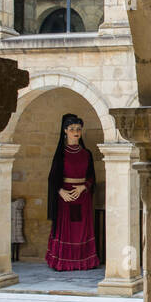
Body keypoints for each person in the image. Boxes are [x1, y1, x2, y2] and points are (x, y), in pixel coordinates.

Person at [45, 113, 100, 271]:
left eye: (78, 129)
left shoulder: (86, 154)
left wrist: (84, 187)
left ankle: (85, 261)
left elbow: (92, 176)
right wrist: (60, 191)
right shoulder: (61, 155)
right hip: (66, 198)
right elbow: (52, 177)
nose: (76, 132)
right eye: (72, 129)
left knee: (81, 230)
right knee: (68, 230)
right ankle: (64, 262)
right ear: (65, 131)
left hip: (82, 198)